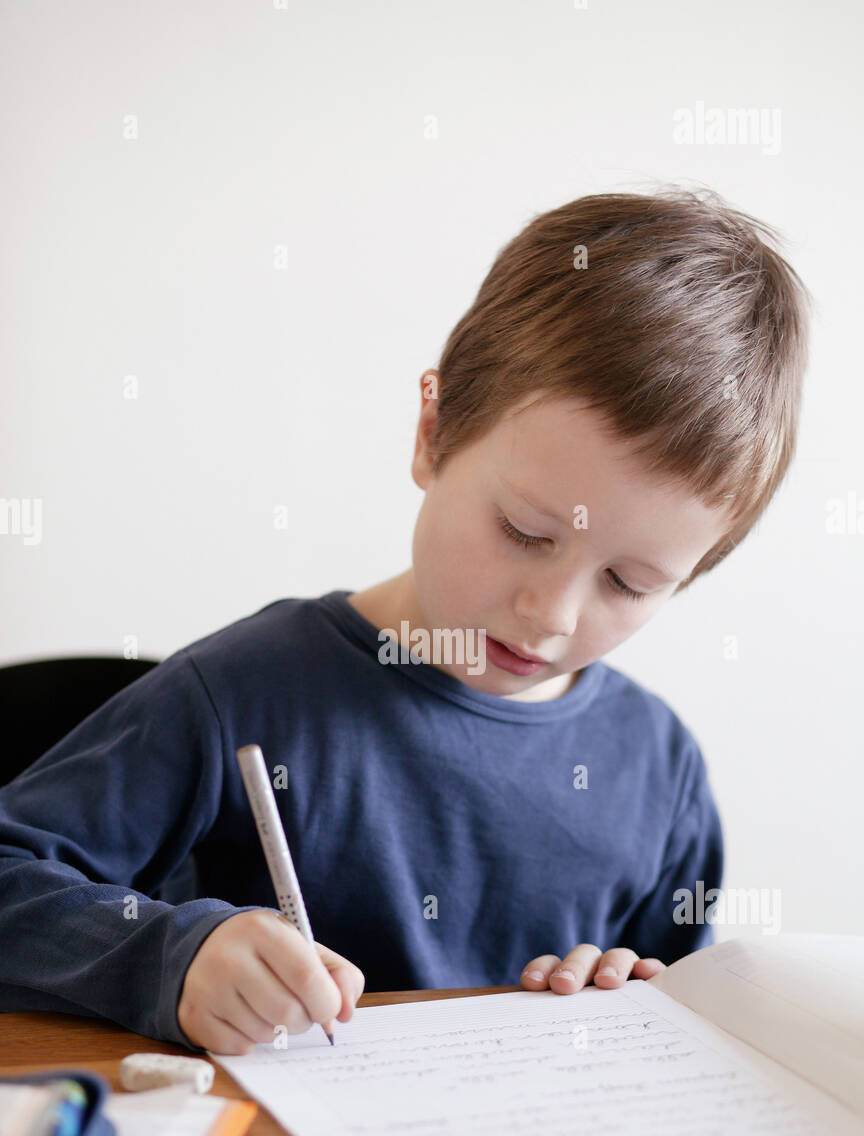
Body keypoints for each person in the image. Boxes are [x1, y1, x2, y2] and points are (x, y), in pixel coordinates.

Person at [0, 187, 811, 1054]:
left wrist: (633, 997)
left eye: (629, 582)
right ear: (432, 432)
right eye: (524, 533)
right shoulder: (244, 692)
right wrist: (171, 957)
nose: (551, 613)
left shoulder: (662, 772)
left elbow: (685, 1011)